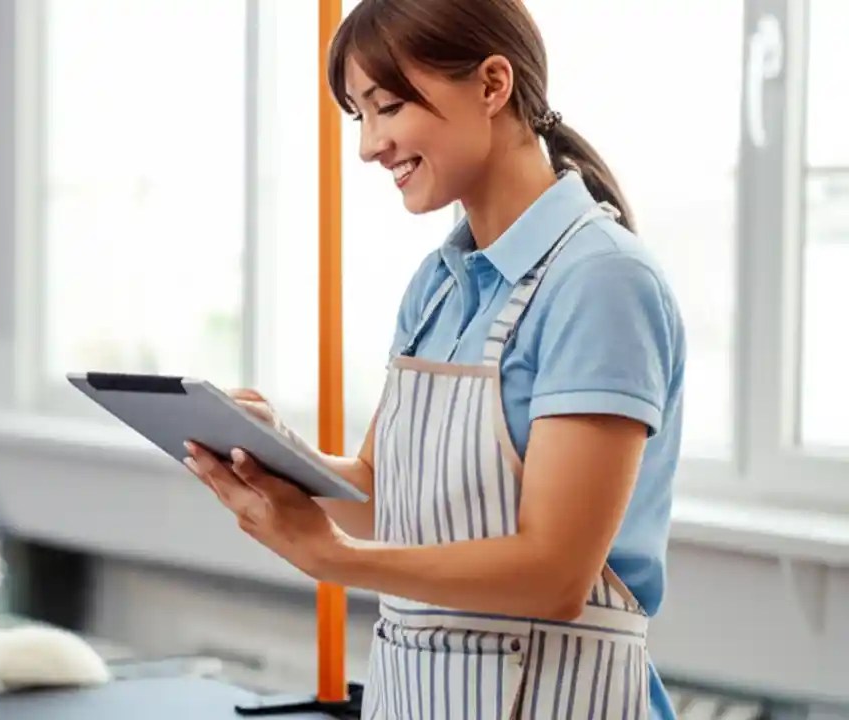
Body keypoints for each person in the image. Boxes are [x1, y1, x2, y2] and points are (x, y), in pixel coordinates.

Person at [180, 1, 686, 718]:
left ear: (491, 84)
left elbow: (554, 573)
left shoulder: (600, 281)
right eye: (360, 116)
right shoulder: (439, 285)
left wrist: (333, 560)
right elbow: (387, 496)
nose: (369, 146)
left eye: (386, 107)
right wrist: (277, 455)